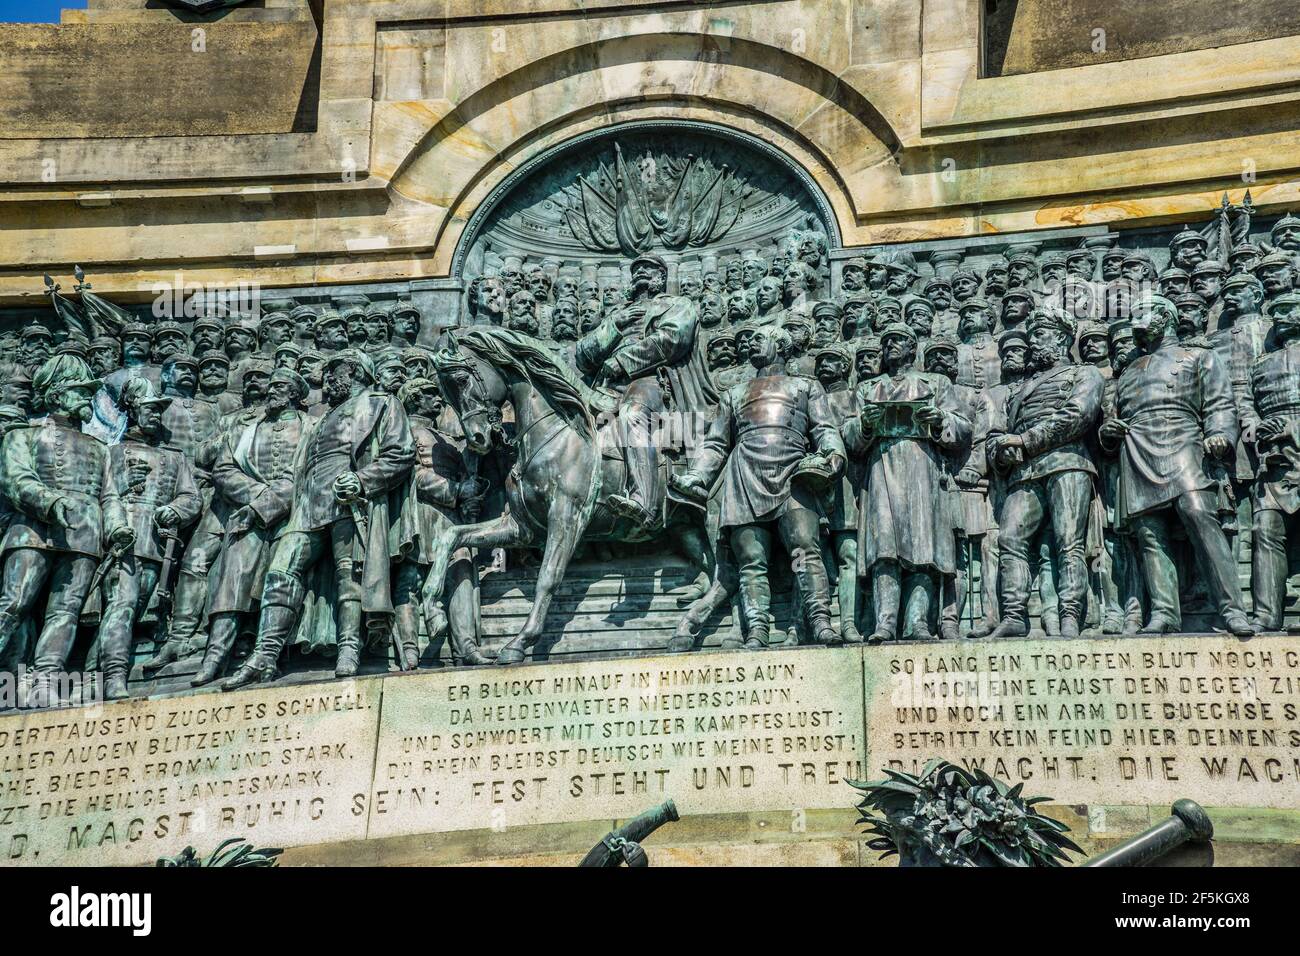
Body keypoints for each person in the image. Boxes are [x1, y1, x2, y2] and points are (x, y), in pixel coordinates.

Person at [222, 349, 415, 689]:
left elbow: (400, 454)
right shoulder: (322, 416)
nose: (326, 380)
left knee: (349, 573)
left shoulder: (382, 403)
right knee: (280, 572)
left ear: (353, 370)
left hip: (350, 500)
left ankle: (349, 650)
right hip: (308, 503)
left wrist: (362, 480)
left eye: (334, 371)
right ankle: (264, 656)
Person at [671, 325, 845, 648]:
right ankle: (757, 631)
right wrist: (697, 476)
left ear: (780, 345)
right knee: (751, 559)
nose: (750, 343)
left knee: (804, 550)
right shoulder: (734, 394)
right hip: (746, 476)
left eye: (759, 339)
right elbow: (715, 444)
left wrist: (833, 456)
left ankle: (820, 621)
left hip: (794, 474)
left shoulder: (805, 387)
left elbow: (825, 430)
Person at [1100, 294, 1253, 635]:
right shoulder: (1127, 373)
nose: (1137, 320)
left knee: (1198, 513)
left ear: (1164, 316)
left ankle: (1231, 608)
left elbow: (1220, 404)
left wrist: (1219, 434)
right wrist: (1108, 434)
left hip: (1183, 439)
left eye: (1143, 312)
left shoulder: (1199, 357)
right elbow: (1112, 421)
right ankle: (1165, 613)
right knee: (1149, 533)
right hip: (1137, 448)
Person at [843, 323, 971, 641]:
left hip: (923, 468)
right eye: (886, 342)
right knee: (883, 547)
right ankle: (884, 623)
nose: (891, 346)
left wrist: (941, 419)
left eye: (898, 340)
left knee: (923, 548)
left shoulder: (936, 383)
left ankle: (918, 622)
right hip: (881, 469)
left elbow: (964, 426)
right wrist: (865, 425)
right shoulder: (867, 389)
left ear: (913, 348)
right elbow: (848, 435)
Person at [985, 309, 1103, 639]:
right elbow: (997, 431)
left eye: (1041, 334)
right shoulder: (1020, 388)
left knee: (1069, 541)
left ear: (1062, 338)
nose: (1033, 341)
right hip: (1024, 471)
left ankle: (1070, 615)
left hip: (1068, 463)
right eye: (1032, 334)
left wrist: (1024, 441)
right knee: (1010, 538)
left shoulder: (1086, 374)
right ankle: (1014, 615)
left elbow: (1077, 415)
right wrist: (1001, 451)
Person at [0, 356, 113, 702]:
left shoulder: (100, 448)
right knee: (14, 602)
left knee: (66, 611)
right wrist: (48, 502)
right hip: (32, 531)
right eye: (80, 392)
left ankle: (46, 680)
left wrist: (119, 527)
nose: (87, 400)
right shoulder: (21, 436)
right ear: (57, 394)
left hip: (85, 536)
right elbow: (15, 480)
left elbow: (110, 496)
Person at [575, 253, 716, 530]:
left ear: (661, 278)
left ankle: (644, 502)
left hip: (652, 382)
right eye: (636, 268)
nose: (641, 272)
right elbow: (583, 356)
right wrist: (614, 325)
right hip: (604, 387)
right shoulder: (616, 314)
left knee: (632, 414)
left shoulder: (678, 305)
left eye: (648, 269)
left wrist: (622, 361)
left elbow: (673, 339)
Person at [189, 368, 312, 685]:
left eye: (280, 386)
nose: (272, 391)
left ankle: (265, 657)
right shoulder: (246, 429)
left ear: (295, 394)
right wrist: (258, 495)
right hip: (246, 512)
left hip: (294, 515)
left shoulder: (311, 427)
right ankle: (215, 656)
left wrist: (267, 504)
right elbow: (224, 470)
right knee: (233, 580)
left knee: (280, 582)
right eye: (271, 386)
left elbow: (309, 474)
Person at [96, 380, 201, 699]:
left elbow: (191, 497)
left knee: (140, 608)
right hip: (122, 542)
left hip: (157, 546)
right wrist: (116, 526)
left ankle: (101, 668)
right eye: (149, 408)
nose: (155, 414)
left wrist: (174, 510)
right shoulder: (111, 452)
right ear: (132, 411)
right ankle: (113, 676)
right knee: (121, 606)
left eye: (159, 409)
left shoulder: (175, 457)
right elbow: (105, 496)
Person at [389, 377, 493, 667]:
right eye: (431, 394)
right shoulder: (404, 429)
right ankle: (409, 650)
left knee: (460, 575)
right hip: (419, 513)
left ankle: (467, 648)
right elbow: (411, 473)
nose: (438, 399)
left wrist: (470, 497)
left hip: (452, 519)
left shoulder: (445, 437)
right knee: (411, 579)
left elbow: (463, 476)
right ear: (414, 398)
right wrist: (457, 491)